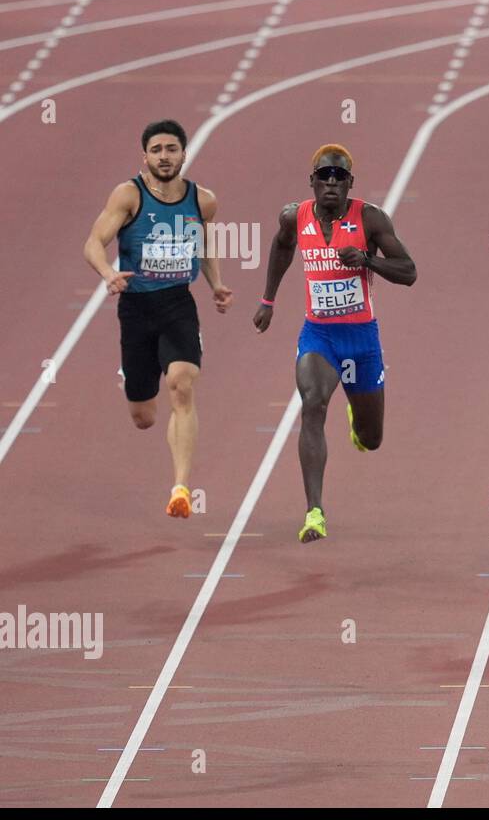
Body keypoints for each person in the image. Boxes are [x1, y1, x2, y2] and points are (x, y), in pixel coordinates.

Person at [254, 144, 416, 542]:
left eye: (339, 178)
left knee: (372, 438)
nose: (331, 183)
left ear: (350, 184)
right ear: (311, 182)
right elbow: (281, 246)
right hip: (319, 334)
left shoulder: (371, 219)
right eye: (324, 176)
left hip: (361, 340)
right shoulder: (295, 216)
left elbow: (409, 272)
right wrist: (268, 300)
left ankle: (356, 421)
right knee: (312, 404)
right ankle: (314, 511)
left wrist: (367, 260)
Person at [83, 119, 231, 518]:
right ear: (144, 156)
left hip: (177, 305)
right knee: (144, 417)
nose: (164, 156)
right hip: (135, 310)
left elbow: (204, 242)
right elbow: (94, 242)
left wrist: (216, 283)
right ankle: (134, 377)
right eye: (157, 150)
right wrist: (108, 273)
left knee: (182, 385)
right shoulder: (128, 195)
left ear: (184, 153)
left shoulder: (203, 200)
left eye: (171, 149)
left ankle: (180, 487)